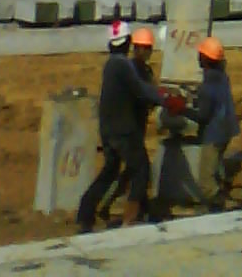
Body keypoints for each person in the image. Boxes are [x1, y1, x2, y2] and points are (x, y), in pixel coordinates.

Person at [76, 22, 184, 232]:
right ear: (128, 43)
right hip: (124, 130)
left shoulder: (112, 66)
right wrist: (166, 100)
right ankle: (130, 218)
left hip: (108, 130)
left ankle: (85, 213)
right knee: (141, 169)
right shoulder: (122, 66)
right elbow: (141, 89)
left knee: (110, 170)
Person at [186, 35, 242, 204]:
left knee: (206, 183)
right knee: (215, 170)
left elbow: (202, 116)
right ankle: (221, 197)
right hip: (226, 130)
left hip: (214, 134)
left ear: (205, 59)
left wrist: (182, 109)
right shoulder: (221, 76)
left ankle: (225, 208)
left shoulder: (208, 84)